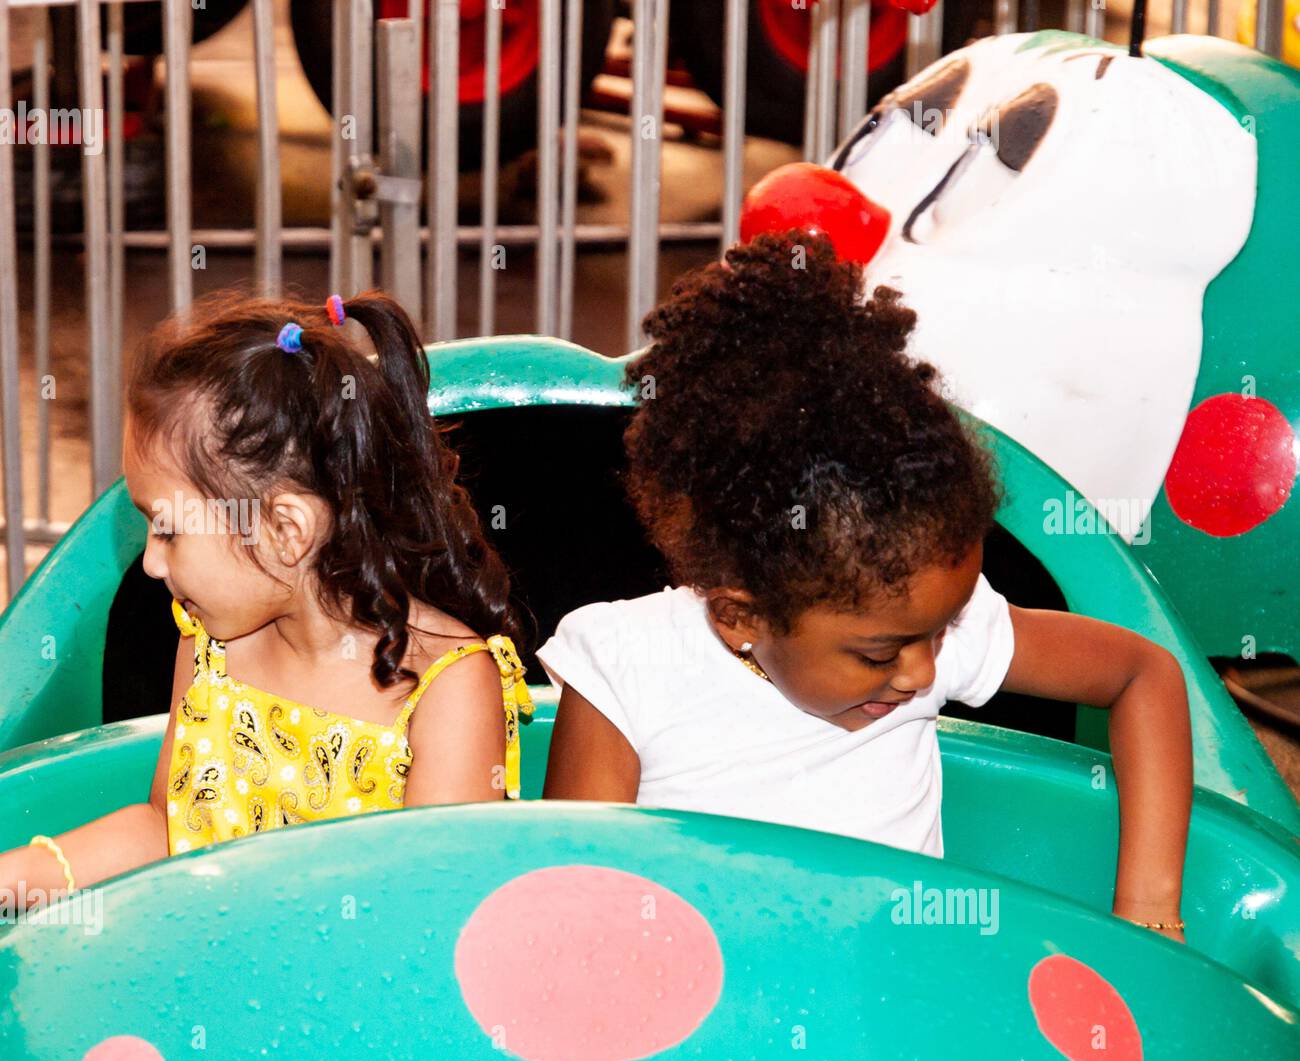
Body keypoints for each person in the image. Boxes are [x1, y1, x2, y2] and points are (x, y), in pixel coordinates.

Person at [538, 233, 1192, 942]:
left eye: (938, 633)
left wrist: (1149, 914)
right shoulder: (623, 671)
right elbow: (576, 913)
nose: (922, 670)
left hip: (893, 1011)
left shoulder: (931, 625)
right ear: (739, 617)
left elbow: (1142, 675)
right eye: (879, 655)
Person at [4, 289, 531, 907]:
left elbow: (433, 908)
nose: (149, 562)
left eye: (168, 528)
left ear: (285, 530)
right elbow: (167, 829)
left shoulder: (446, 687)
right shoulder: (208, 644)